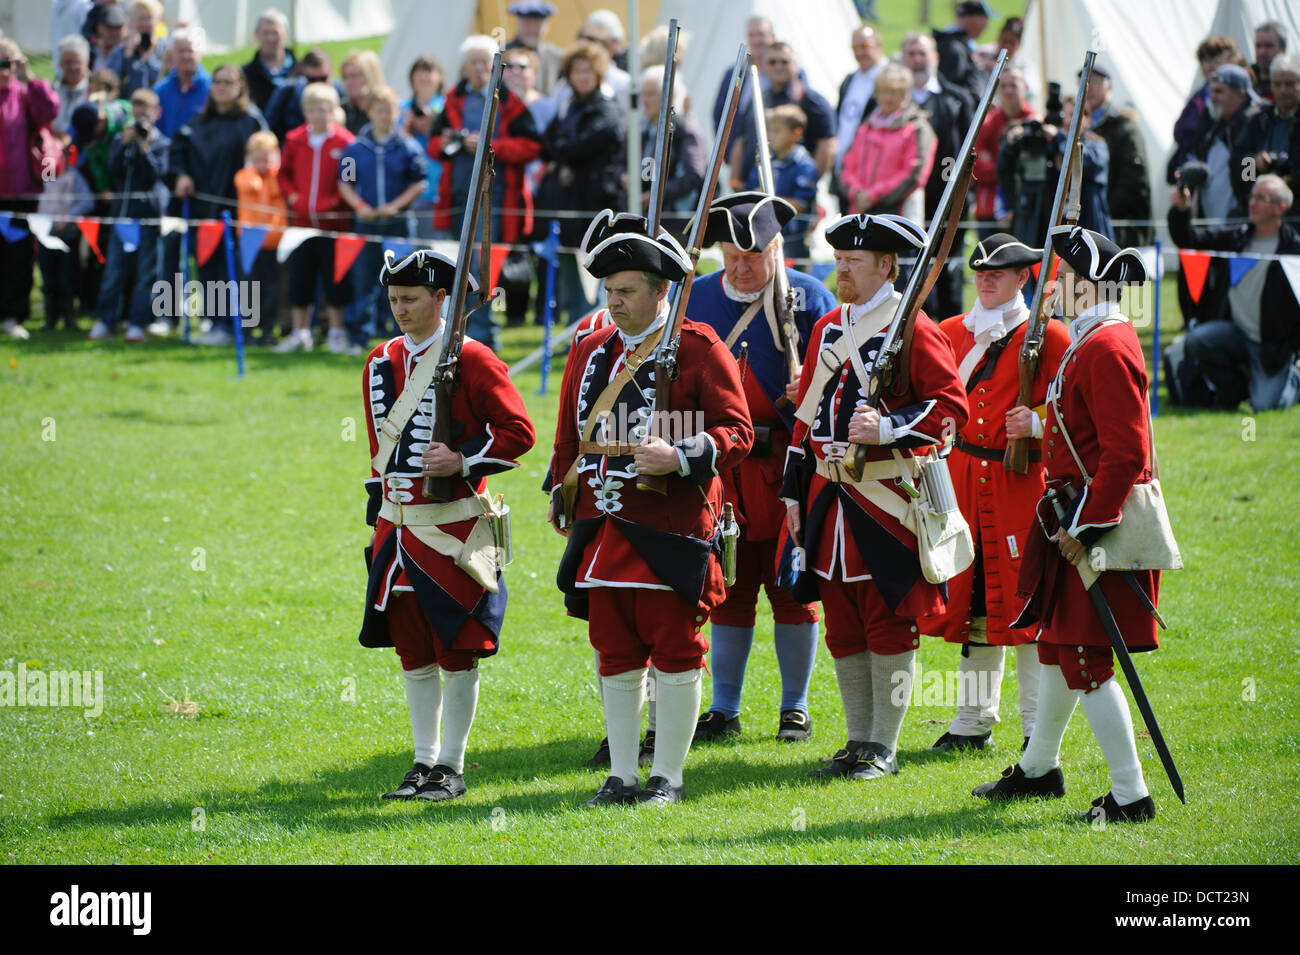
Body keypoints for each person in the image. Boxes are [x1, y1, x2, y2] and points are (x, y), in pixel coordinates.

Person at [547, 212, 753, 806]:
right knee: (613, 648)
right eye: (609, 292)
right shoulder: (591, 349)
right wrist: (563, 492)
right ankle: (623, 774)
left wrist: (683, 455)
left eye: (628, 291)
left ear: (662, 291)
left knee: (674, 647)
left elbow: (736, 432)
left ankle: (668, 777)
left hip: (672, 527)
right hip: (601, 522)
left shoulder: (698, 347)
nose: (615, 303)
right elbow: (569, 434)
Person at [973, 225, 1162, 824]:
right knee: (1056, 647)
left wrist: (1087, 526)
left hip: (1094, 528)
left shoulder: (1106, 346)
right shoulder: (1093, 341)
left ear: (1089, 284)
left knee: (1085, 662)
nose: (1055, 285)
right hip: (1071, 519)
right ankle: (1038, 769)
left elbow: (1126, 455)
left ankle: (1130, 797)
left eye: (1067, 276)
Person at [780, 213, 968, 782]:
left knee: (888, 621)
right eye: (839, 259)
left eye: (853, 261)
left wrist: (886, 429)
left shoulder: (914, 329)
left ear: (886, 267)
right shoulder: (828, 330)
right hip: (826, 500)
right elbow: (804, 419)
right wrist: (792, 492)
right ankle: (856, 739)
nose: (841, 268)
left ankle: (882, 746)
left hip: (886, 500)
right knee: (842, 622)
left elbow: (949, 409)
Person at [362, 248, 535, 802]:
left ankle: (451, 766)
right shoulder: (378, 361)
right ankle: (420, 760)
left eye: (411, 299)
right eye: (394, 299)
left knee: (456, 647)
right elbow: (377, 453)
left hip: (454, 529)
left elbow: (518, 432)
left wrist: (462, 460)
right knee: (411, 649)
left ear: (444, 299)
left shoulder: (475, 359)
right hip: (396, 530)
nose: (400, 310)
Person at [687, 193, 836, 743]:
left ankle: (793, 707)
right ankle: (724, 708)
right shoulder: (696, 298)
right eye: (732, 255)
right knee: (729, 587)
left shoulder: (809, 297)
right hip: (721, 470)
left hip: (784, 467)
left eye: (755, 255)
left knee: (792, 588)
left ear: (778, 247)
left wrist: (814, 387)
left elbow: (848, 387)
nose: (743, 267)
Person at [917, 235, 1070, 751]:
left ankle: (1034, 729)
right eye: (980, 271)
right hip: (961, 477)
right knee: (974, 604)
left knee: (1027, 607)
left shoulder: (1047, 337)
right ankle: (973, 721)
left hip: (1020, 482)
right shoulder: (951, 332)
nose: (985, 279)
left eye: (997, 273)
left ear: (1023, 277)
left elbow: (1080, 413)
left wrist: (1040, 424)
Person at [431, 35, 540, 353]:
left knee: (483, 268)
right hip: (457, 198)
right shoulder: (452, 99)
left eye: (485, 62)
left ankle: (484, 334)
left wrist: (489, 146)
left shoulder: (511, 101)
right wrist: (453, 142)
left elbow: (532, 146)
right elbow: (434, 145)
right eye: (474, 62)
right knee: (456, 267)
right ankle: (458, 332)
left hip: (495, 198)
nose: (479, 68)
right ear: (464, 66)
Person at [1168, 174, 1300, 412]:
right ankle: (1234, 390)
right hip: (1236, 333)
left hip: (1273, 347)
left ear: (1280, 208)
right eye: (1252, 196)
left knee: (1265, 406)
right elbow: (1189, 239)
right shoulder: (1238, 237)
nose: (1252, 202)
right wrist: (1181, 209)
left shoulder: (1294, 250)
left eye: (1261, 198)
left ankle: (1294, 378)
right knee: (1197, 340)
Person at [167, 63, 270, 345]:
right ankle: (215, 323)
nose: (221, 87)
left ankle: (239, 326)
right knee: (209, 267)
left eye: (228, 82)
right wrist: (180, 175)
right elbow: (176, 152)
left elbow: (267, 156)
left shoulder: (251, 121)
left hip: (242, 212)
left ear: (240, 87)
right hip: (203, 209)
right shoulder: (197, 122)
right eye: (217, 82)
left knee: (237, 269)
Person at [537, 41, 625, 326]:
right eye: (577, 71)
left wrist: (563, 150)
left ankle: (591, 326)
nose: (582, 77)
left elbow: (585, 144)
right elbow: (547, 142)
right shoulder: (567, 107)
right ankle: (574, 328)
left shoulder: (608, 107)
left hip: (596, 202)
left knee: (592, 269)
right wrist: (562, 149)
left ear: (598, 73)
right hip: (567, 203)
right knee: (569, 268)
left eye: (588, 71)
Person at [339, 85, 427, 354]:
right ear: (370, 112)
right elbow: (345, 182)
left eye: (389, 110)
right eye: (379, 110)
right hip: (366, 225)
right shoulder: (355, 149)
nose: (384, 116)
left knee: (401, 282)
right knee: (363, 280)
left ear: (397, 113)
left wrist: (394, 206)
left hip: (398, 224)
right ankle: (359, 336)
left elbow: (419, 182)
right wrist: (360, 206)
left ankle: (400, 338)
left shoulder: (407, 147)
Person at [275, 81, 355, 353]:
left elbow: (350, 178)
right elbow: (282, 173)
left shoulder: (346, 142)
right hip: (300, 225)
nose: (319, 114)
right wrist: (293, 197)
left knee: (335, 280)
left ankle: (335, 332)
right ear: (305, 112)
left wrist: (334, 201)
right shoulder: (294, 140)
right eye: (313, 109)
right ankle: (300, 333)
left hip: (335, 226)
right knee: (300, 279)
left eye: (324, 109)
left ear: (333, 111)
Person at [88, 87, 169, 343]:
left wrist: (144, 148)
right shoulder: (119, 139)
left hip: (147, 218)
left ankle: (138, 324)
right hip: (122, 218)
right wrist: (124, 146)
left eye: (146, 109)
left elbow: (155, 176)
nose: (140, 114)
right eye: (136, 108)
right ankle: (106, 321)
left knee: (146, 274)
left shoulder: (162, 143)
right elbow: (114, 173)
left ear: (157, 113)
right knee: (113, 272)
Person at [902, 31, 974, 319]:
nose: (917, 61)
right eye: (912, 54)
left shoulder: (958, 100)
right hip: (906, 202)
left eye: (923, 54)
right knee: (910, 276)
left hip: (949, 201)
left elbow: (970, 152)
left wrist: (965, 197)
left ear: (936, 58)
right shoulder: (891, 100)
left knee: (948, 274)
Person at [1, 39, 61, 339]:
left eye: (8, 62)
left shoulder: (26, 94)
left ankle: (14, 315)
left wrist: (31, 79)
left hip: (23, 192)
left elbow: (50, 112)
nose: (4, 69)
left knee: (20, 257)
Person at [840, 61, 937, 223]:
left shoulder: (917, 127)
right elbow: (847, 166)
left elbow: (914, 173)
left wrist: (874, 195)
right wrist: (856, 192)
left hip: (898, 214)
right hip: (860, 211)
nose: (888, 97)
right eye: (883, 91)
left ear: (905, 94)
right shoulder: (866, 127)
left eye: (894, 92)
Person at [731, 43, 836, 184]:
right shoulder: (757, 99)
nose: (778, 67)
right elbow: (740, 140)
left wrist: (806, 186)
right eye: (772, 62)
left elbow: (827, 145)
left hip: (790, 195)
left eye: (784, 62)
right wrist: (735, 179)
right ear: (763, 65)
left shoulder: (814, 102)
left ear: (795, 65)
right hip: (752, 186)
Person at [1171, 64, 1261, 222]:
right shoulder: (1215, 124)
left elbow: (1251, 170)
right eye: (1211, 91)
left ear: (1240, 94)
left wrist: (1245, 208)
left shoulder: (1253, 122)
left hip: (1240, 223)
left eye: (1219, 91)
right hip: (1215, 223)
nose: (1213, 97)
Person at [1086, 64, 1153, 247]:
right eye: (1085, 81)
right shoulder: (1083, 126)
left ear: (1109, 87)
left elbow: (1134, 182)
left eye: (1096, 82)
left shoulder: (1124, 127)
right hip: (1096, 224)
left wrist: (1103, 210)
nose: (1089, 87)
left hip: (1123, 231)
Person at [636, 64, 704, 242]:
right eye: (643, 94)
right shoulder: (644, 129)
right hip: (649, 219)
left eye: (650, 94)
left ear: (668, 96)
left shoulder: (684, 128)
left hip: (675, 224)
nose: (644, 100)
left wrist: (656, 196)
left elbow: (694, 175)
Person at [233, 130, 287, 343]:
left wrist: (273, 169)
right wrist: (254, 167)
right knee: (248, 288)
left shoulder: (278, 177)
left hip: (274, 241)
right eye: (258, 157)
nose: (264, 162)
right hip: (250, 242)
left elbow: (278, 187)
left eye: (268, 156)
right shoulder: (243, 175)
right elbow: (250, 184)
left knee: (272, 288)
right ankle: (247, 331)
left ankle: (267, 329)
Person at [745, 106, 820, 259]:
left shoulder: (804, 165)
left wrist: (768, 199)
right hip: (765, 233)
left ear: (796, 133)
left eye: (778, 131)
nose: (771, 136)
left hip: (793, 238)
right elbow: (750, 191)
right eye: (770, 130)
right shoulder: (764, 161)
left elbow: (801, 204)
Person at [1233, 55, 1300, 221]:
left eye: (1290, 84)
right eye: (1277, 84)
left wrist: (1291, 181)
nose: (1283, 90)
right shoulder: (1259, 120)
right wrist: (1254, 164)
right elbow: (1239, 164)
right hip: (1262, 216)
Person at [974, 65, 1036, 239]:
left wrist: (995, 166)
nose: (1008, 91)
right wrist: (1008, 171)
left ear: (1025, 87)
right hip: (990, 208)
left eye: (1014, 85)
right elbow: (974, 166)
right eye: (1004, 86)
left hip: (1028, 207)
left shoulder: (1036, 121)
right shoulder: (987, 122)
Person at [834, 25, 885, 212]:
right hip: (847, 172)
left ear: (878, 45)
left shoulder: (888, 78)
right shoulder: (849, 80)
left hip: (874, 178)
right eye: (855, 48)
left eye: (864, 47)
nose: (859, 53)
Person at [398, 56, 445, 236]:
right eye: (420, 71)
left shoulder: (448, 107)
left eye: (430, 71)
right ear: (411, 78)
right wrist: (407, 127)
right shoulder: (401, 109)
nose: (424, 77)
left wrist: (434, 125)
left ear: (440, 77)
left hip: (438, 191)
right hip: (407, 192)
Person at [152, 27, 210, 138]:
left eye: (190, 51)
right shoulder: (160, 90)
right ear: (172, 54)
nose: (186, 56)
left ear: (200, 53)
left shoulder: (211, 89)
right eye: (181, 51)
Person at [934, 0, 993, 103]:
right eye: (985, 20)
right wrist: (976, 95)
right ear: (975, 20)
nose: (987, 26)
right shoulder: (953, 48)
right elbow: (950, 88)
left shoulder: (960, 42)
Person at [242, 8, 295, 112]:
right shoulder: (245, 75)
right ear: (256, 35)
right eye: (266, 33)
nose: (271, 38)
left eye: (275, 33)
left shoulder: (302, 72)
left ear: (286, 34)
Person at [505, 0, 562, 96]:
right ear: (518, 25)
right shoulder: (503, 54)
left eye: (537, 24)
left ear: (546, 27)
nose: (532, 30)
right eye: (527, 24)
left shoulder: (555, 56)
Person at [107, 0, 162, 97]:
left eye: (149, 18)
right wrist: (128, 55)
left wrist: (148, 56)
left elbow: (164, 77)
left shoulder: (165, 49)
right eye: (140, 19)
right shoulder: (119, 52)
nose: (145, 23)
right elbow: (111, 83)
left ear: (157, 21)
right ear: (131, 22)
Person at [53, 35, 91, 137]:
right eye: (68, 62)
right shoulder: (53, 92)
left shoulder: (93, 90)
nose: (73, 67)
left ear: (86, 63)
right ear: (60, 64)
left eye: (77, 62)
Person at [340, 50, 384, 135]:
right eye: (345, 77)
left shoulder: (388, 108)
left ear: (370, 76)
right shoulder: (342, 111)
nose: (348, 82)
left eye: (354, 76)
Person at [1253, 21, 1287, 101]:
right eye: (1258, 46)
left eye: (1268, 46)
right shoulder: (1247, 80)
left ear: (1283, 49)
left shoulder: (1294, 83)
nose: (1262, 52)